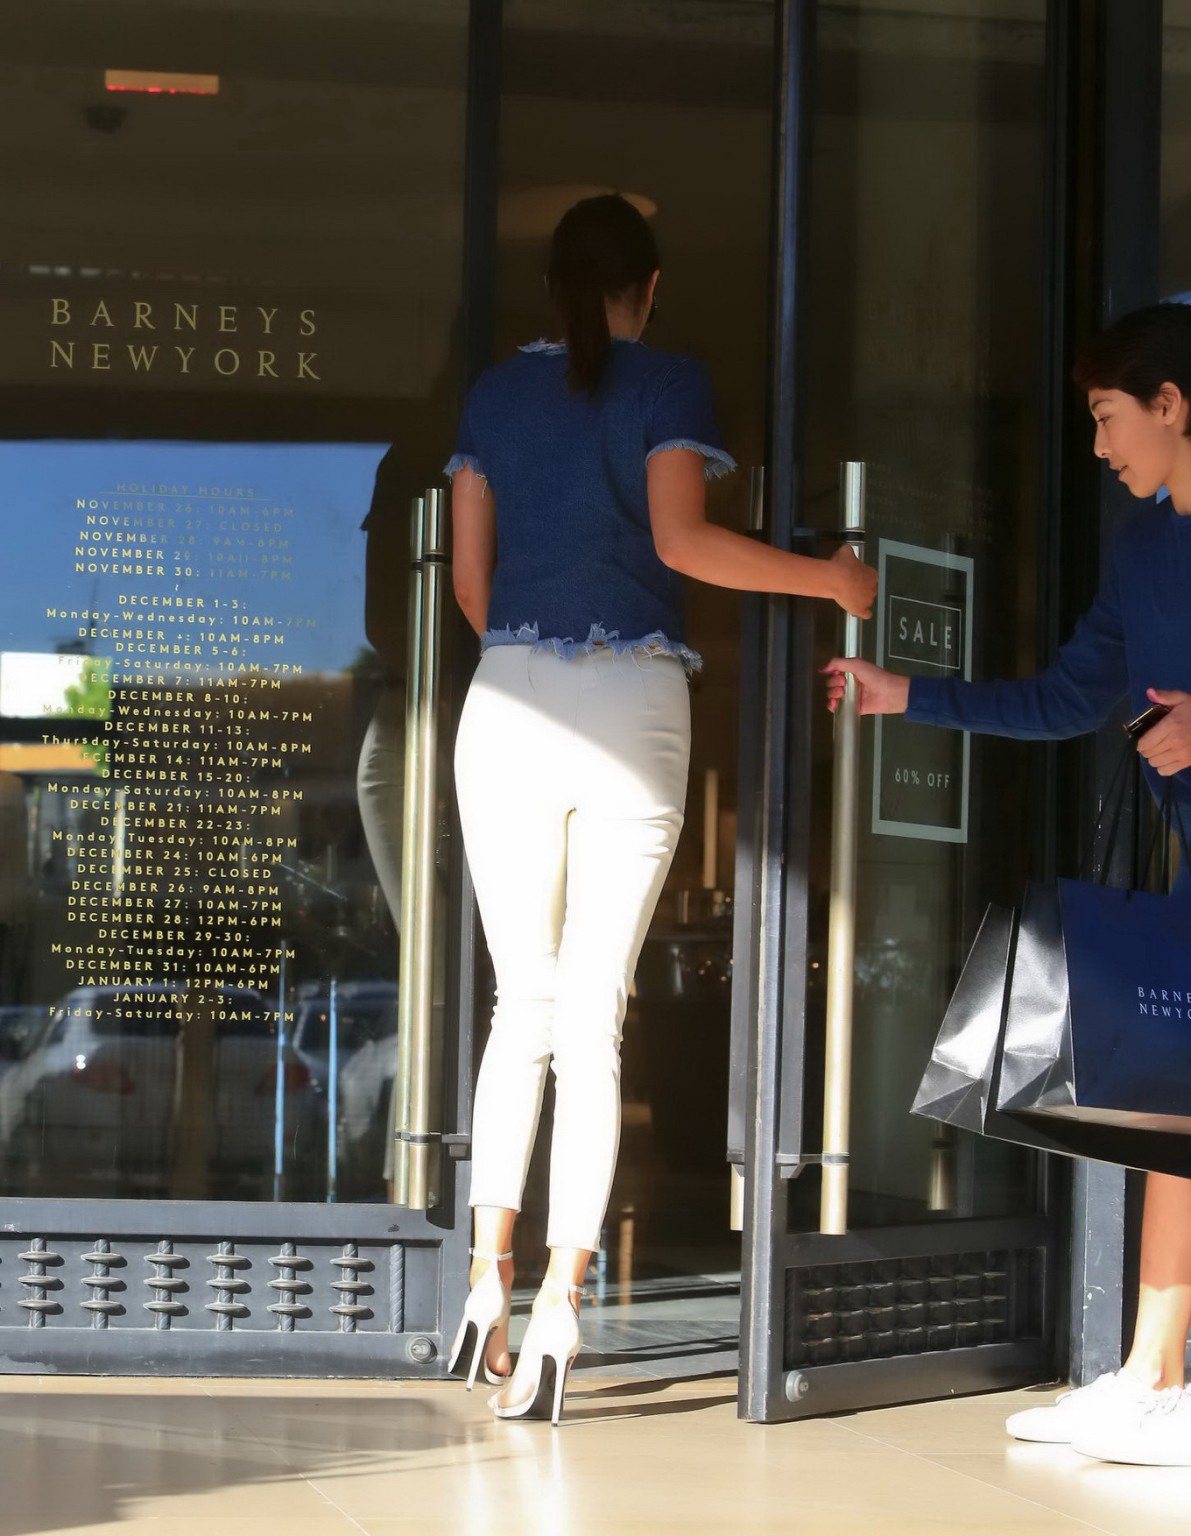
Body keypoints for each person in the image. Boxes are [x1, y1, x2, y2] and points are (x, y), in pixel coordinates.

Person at [446, 193, 877, 1423]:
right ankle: (565, 1307)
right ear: (650, 287)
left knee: (514, 1006)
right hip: (633, 697)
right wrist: (831, 579)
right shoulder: (669, 382)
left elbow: (474, 587)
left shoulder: (490, 400)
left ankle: (485, 1279)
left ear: (550, 291)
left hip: (508, 699)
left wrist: (535, 662)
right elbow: (686, 544)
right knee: (593, 1020)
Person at [823, 301, 1191, 1467]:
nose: (1098, 446)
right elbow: (1072, 695)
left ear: (1174, 405)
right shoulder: (1144, 546)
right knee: (1179, 1122)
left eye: (1107, 416)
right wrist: (908, 697)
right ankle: (1149, 1380)